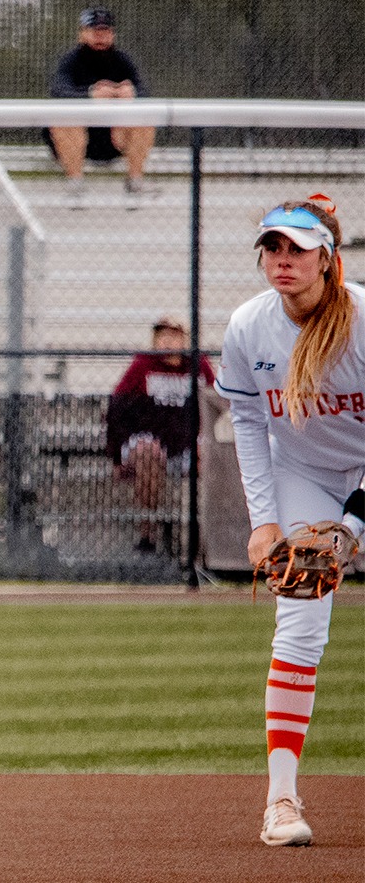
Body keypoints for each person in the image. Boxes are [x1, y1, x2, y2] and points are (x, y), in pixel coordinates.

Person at [215, 194, 365, 847]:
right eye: (273, 247)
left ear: (327, 260)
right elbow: (248, 423)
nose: (282, 260)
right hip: (303, 477)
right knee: (300, 622)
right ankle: (281, 801)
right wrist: (264, 520)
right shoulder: (249, 326)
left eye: (298, 248)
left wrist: (354, 526)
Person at [104, 314, 216, 553]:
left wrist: (203, 441)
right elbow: (116, 409)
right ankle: (148, 537)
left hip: (186, 446)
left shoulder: (199, 364)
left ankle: (205, 546)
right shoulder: (143, 365)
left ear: (185, 339)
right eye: (161, 335)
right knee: (148, 452)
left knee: (214, 456)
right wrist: (116, 456)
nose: (166, 341)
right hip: (148, 442)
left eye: (173, 335)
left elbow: (216, 404)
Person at [46, 7, 156, 201]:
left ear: (112, 34)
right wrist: (91, 94)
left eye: (105, 31)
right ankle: (75, 185)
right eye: (95, 31)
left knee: (145, 120)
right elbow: (58, 90)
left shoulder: (122, 60)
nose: (100, 36)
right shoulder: (71, 61)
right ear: (82, 33)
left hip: (115, 139)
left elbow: (143, 89)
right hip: (81, 140)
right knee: (61, 120)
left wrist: (130, 93)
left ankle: (135, 182)